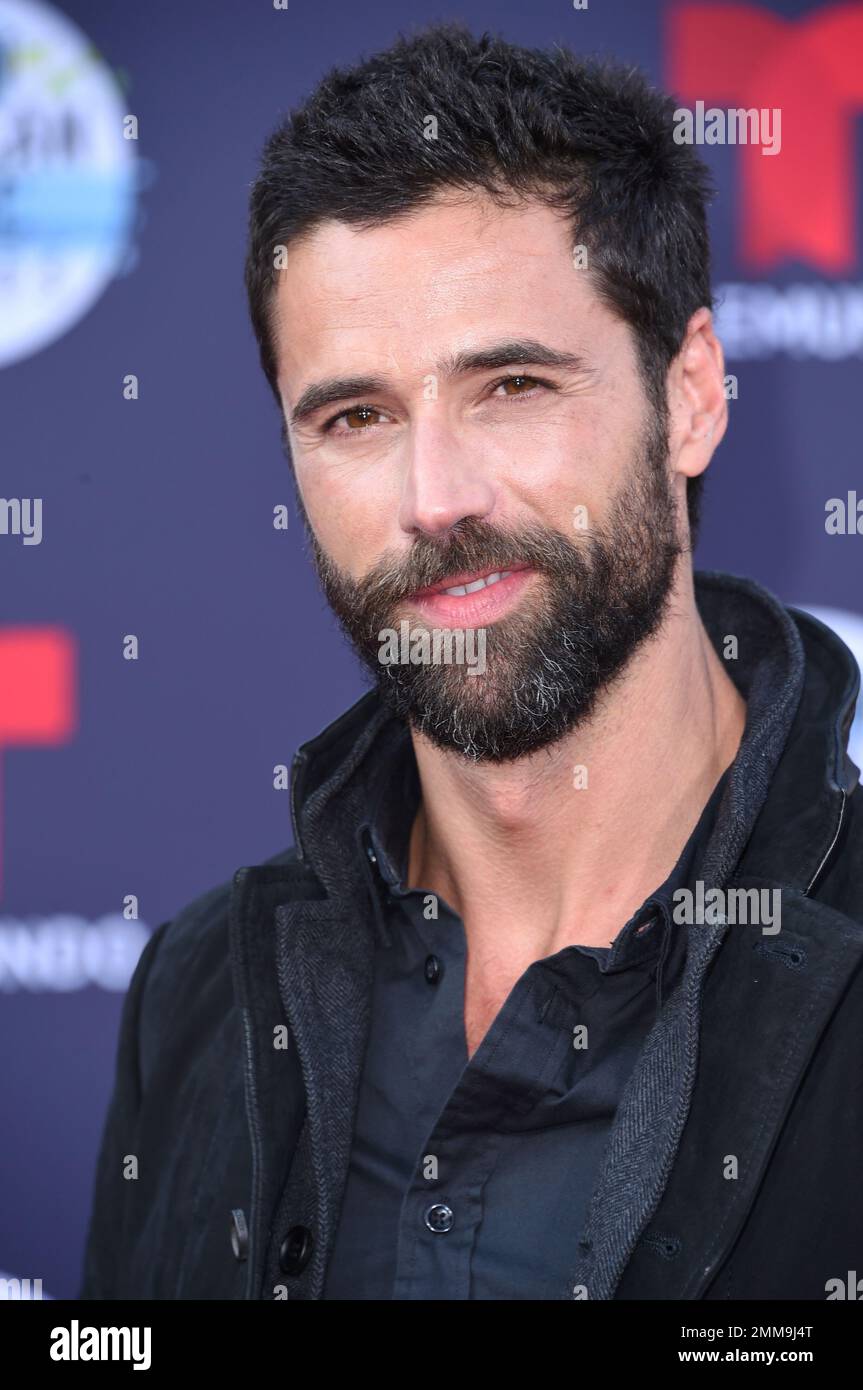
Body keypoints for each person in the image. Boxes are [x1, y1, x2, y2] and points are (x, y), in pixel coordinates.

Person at [80, 22, 863, 1301]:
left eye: (509, 385)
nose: (433, 497)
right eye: (355, 417)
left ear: (692, 394)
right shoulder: (199, 995)